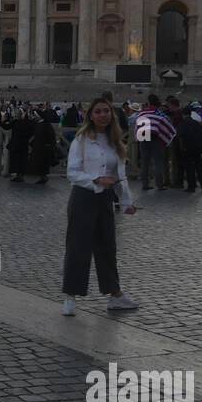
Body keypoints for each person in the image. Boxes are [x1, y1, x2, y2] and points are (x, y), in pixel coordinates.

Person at [60, 99, 137, 316]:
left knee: (107, 247)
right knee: (77, 247)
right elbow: (72, 173)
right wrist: (96, 179)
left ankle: (115, 294)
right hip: (83, 197)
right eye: (98, 112)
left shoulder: (115, 142)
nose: (103, 115)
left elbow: (119, 177)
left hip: (105, 200)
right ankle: (70, 296)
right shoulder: (81, 140)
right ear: (90, 116)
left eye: (106, 111)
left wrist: (127, 202)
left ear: (111, 115)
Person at [179, 110, 202, 192]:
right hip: (198, 148)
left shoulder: (183, 123)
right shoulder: (196, 123)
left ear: (183, 115)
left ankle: (191, 186)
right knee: (199, 168)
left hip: (188, 148)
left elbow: (180, 135)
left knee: (189, 169)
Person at [28, 109, 57, 184]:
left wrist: (50, 145)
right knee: (38, 163)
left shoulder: (46, 124)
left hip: (44, 148)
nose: (34, 116)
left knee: (43, 163)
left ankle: (43, 177)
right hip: (38, 147)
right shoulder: (38, 124)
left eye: (35, 115)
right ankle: (41, 177)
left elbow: (51, 136)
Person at [7, 107, 31, 181]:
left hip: (21, 144)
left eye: (19, 113)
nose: (17, 114)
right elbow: (7, 126)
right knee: (17, 161)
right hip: (17, 144)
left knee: (21, 161)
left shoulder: (26, 122)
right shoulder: (16, 121)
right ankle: (18, 175)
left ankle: (21, 175)